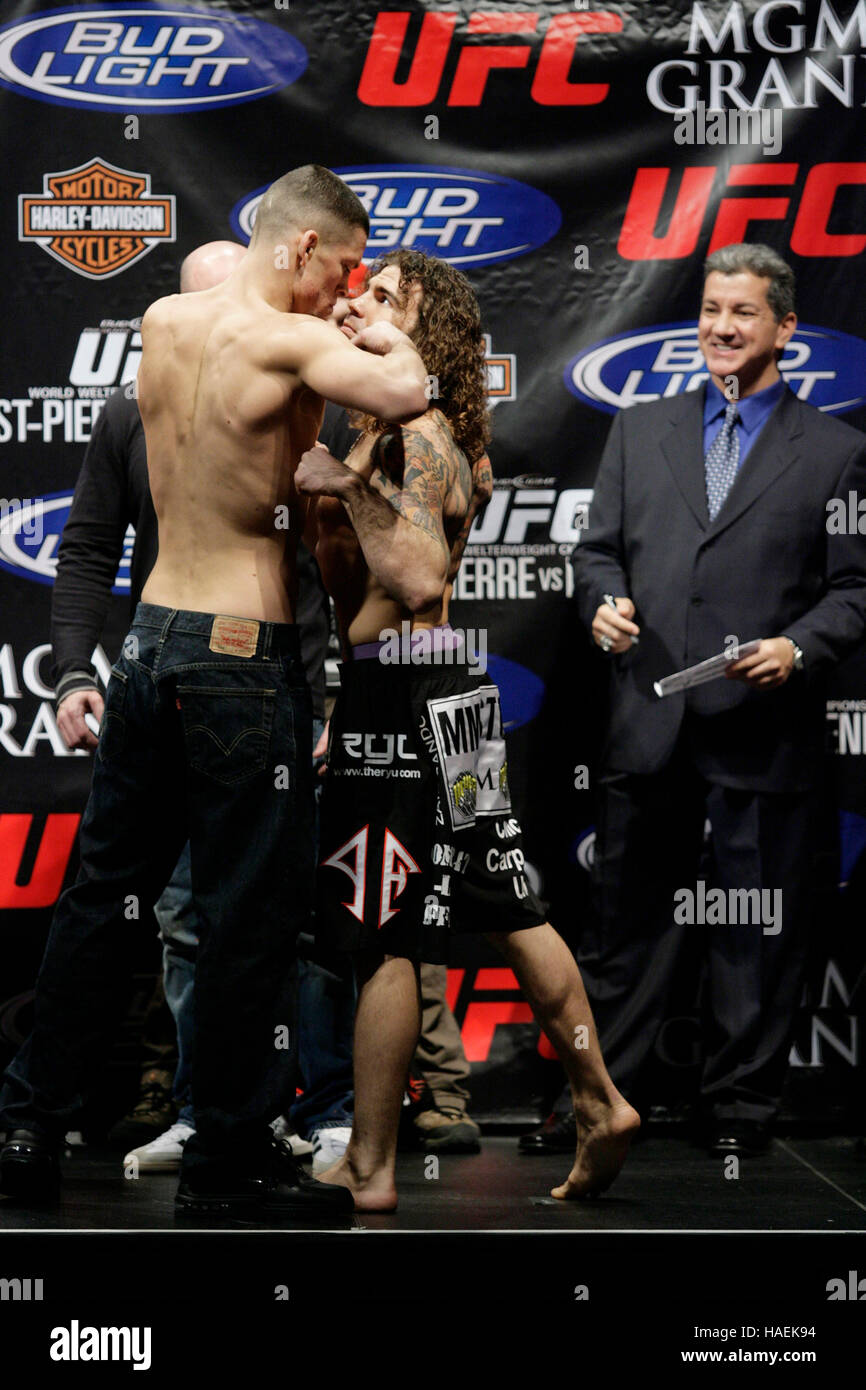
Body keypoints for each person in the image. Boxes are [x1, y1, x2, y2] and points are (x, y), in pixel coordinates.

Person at [0, 165, 429, 1218]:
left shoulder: (164, 315)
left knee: (103, 900)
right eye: (340, 265)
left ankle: (24, 1121)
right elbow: (408, 394)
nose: (346, 287)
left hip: (148, 646)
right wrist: (389, 325)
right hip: (240, 661)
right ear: (295, 248)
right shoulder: (284, 340)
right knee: (246, 915)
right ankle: (231, 1155)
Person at [298, 249, 639, 1211]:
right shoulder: (423, 427)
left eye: (384, 298)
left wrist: (342, 479)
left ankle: (369, 1166)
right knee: (511, 902)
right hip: (440, 690)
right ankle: (599, 1098)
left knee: (385, 934)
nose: (359, 302)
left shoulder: (416, 432)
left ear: (429, 332)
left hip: (404, 699)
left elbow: (411, 581)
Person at [52, 241, 354, 1176]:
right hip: (187, 665)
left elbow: (332, 566)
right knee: (182, 914)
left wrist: (328, 695)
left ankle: (314, 1110)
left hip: (262, 674)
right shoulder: (136, 407)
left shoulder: (303, 393)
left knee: (274, 916)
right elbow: (89, 545)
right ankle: (214, 1121)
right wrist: (71, 673)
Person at [572, 242, 866, 1157]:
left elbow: (855, 590)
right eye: (709, 310)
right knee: (624, 933)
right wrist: (603, 605)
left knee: (757, 935)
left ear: (783, 328)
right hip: (649, 722)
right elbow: (597, 552)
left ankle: (740, 1113)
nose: (721, 329)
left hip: (763, 731)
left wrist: (799, 646)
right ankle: (599, 1104)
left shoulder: (839, 452)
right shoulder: (640, 427)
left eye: (741, 313)